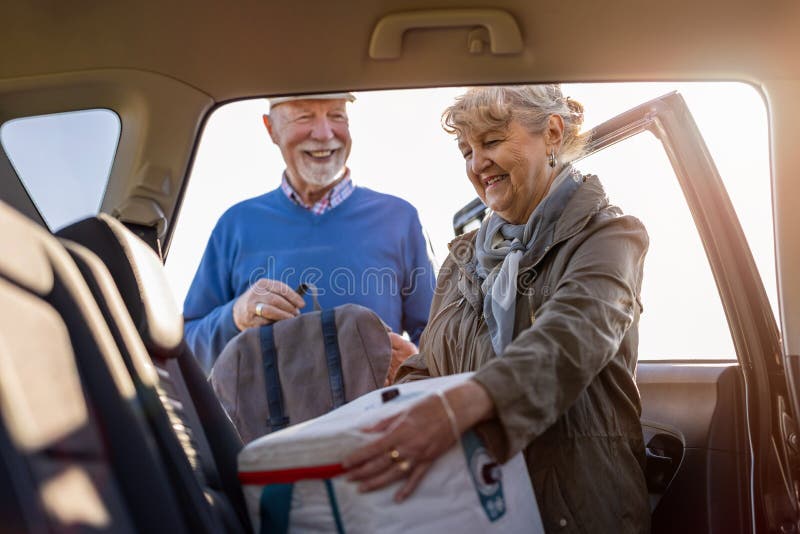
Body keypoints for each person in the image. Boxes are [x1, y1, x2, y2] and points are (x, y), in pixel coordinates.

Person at [343, 85, 650, 533]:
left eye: (491, 142)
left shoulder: (611, 237)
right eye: (466, 150)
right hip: (470, 509)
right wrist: (387, 416)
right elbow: (428, 366)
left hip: (579, 512)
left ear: (551, 133)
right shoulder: (462, 258)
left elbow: (571, 337)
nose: (476, 163)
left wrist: (463, 405)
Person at [183, 92, 435, 374]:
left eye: (337, 115)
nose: (325, 133)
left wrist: (416, 363)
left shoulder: (400, 218)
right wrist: (235, 317)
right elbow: (186, 349)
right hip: (273, 418)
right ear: (271, 129)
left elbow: (438, 336)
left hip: (379, 416)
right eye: (304, 116)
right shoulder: (235, 225)